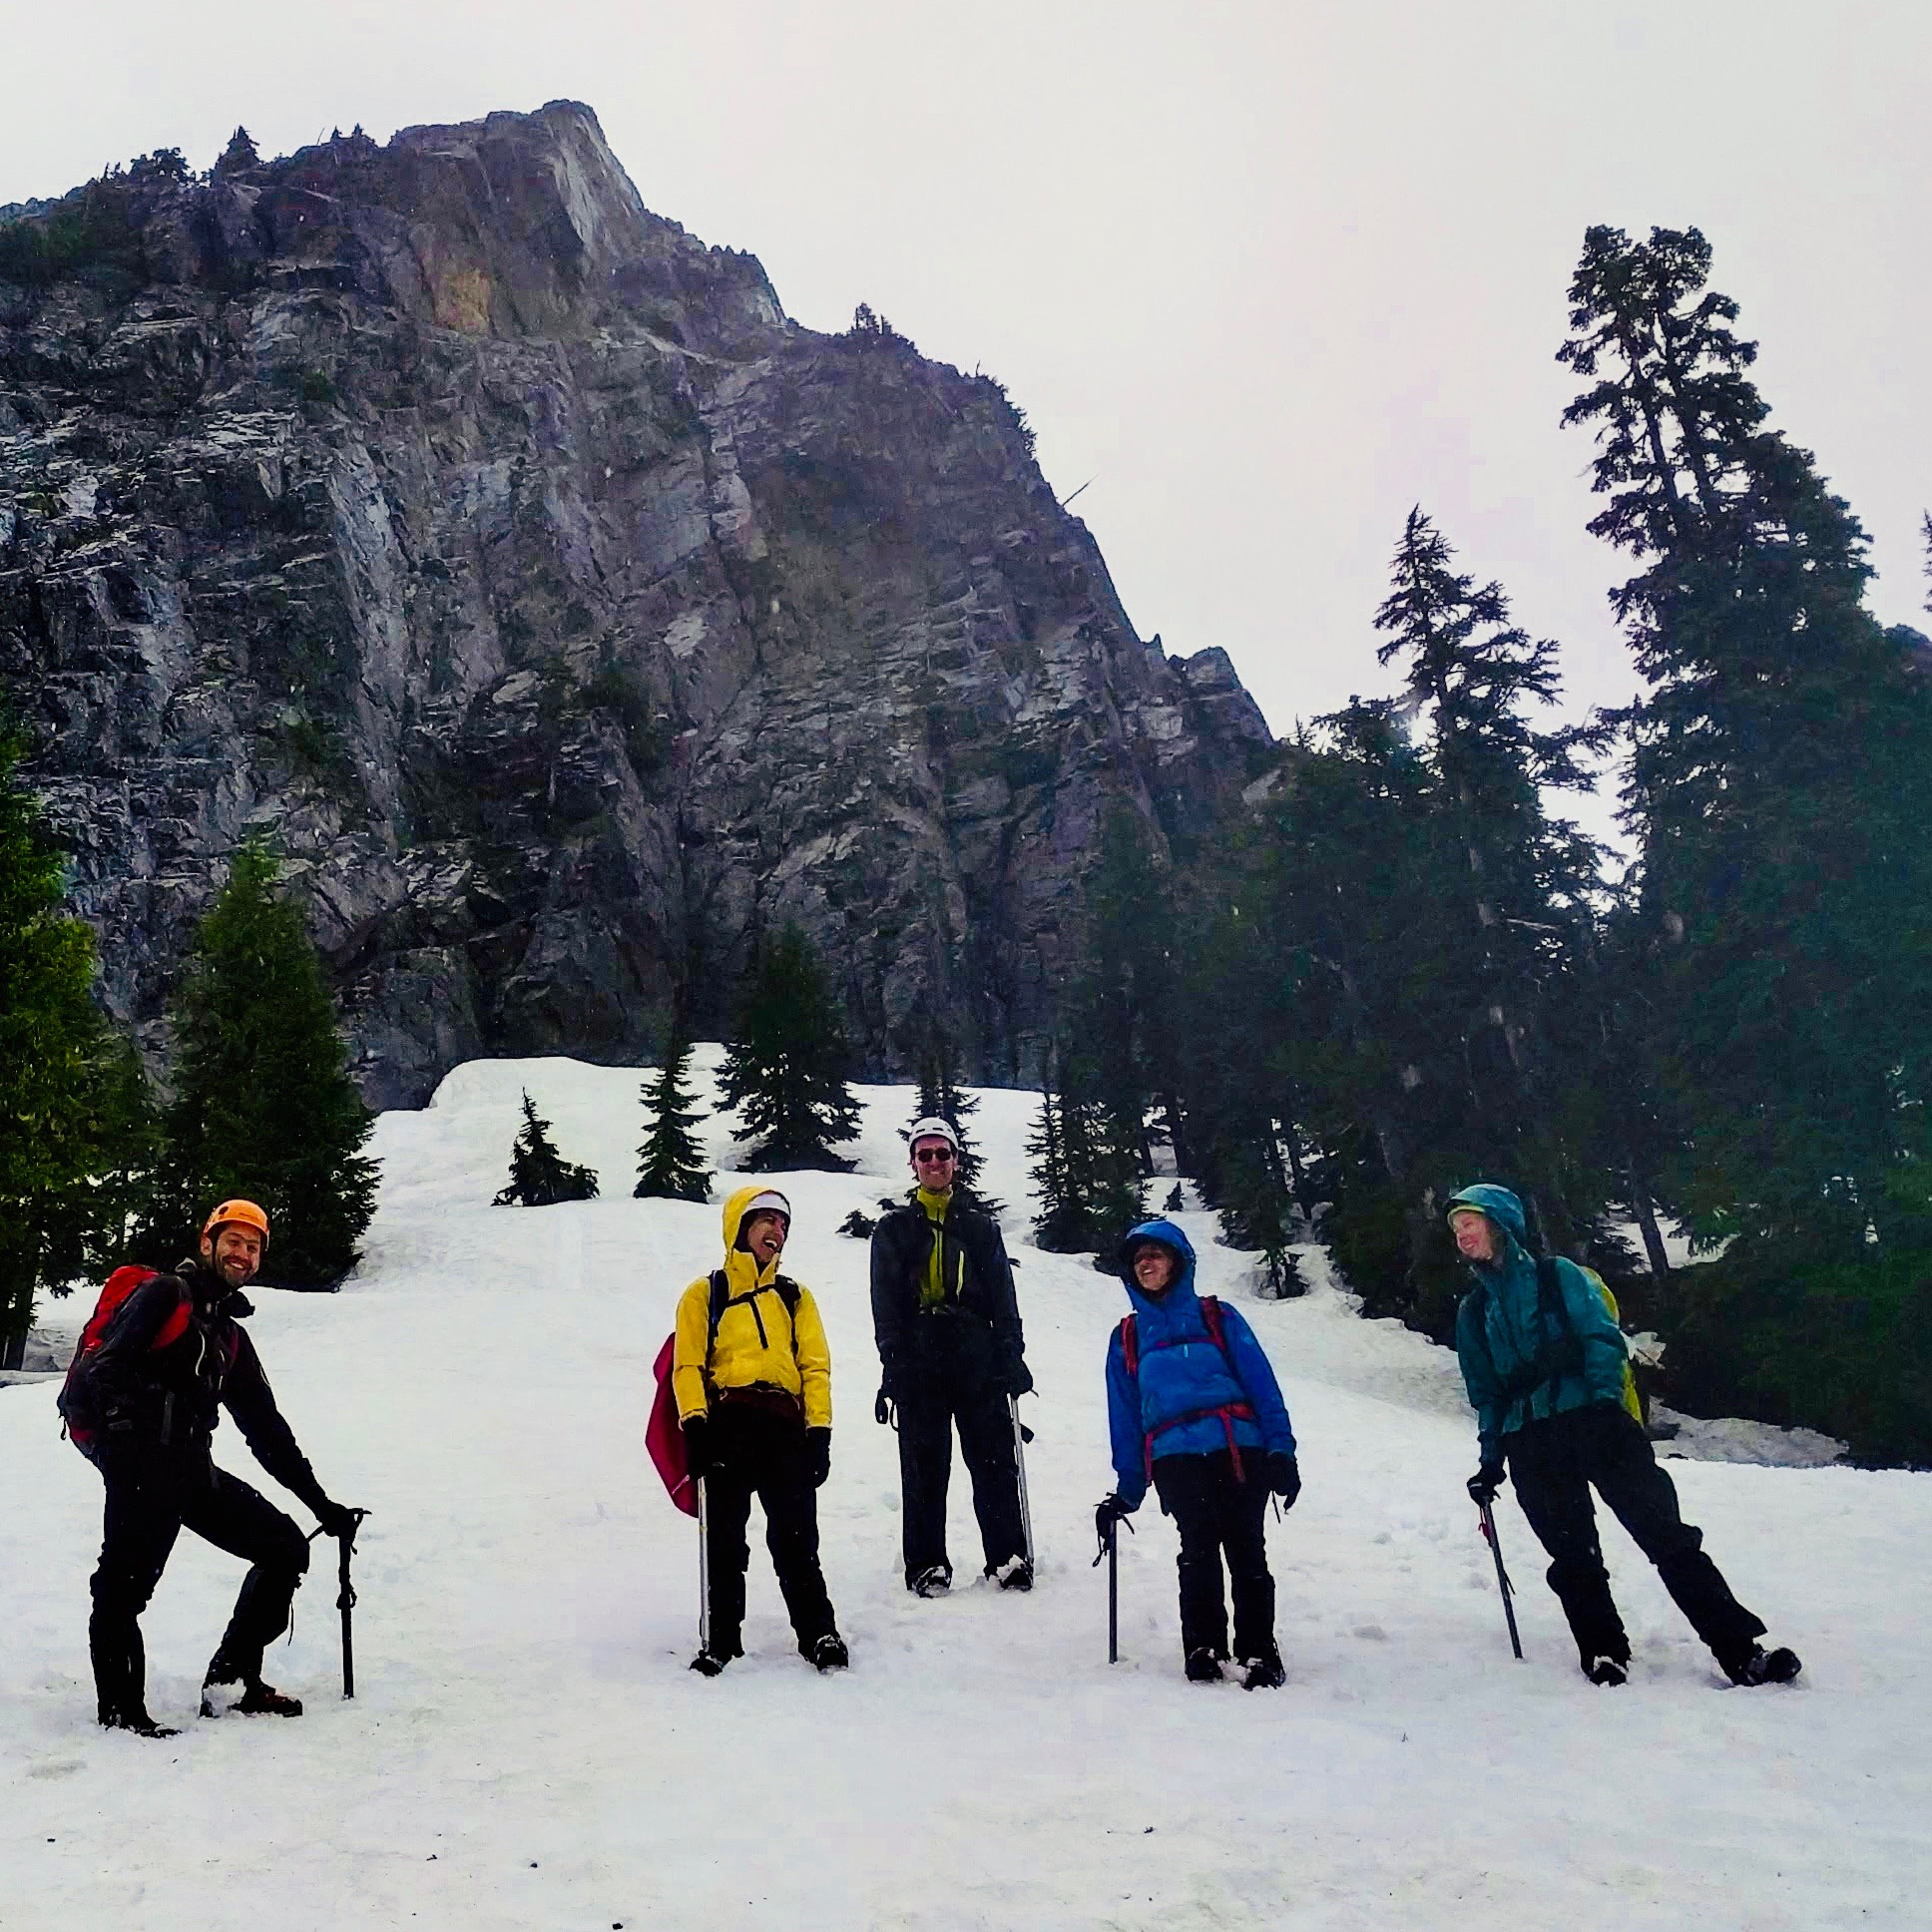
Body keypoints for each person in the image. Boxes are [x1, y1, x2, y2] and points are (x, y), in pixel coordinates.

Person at [1448, 1182, 1801, 1689]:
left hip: (1596, 1424)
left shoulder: (1557, 1277)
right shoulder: (1472, 1313)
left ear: (1501, 1225)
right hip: (1531, 1440)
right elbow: (1485, 1392)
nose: (1461, 1236)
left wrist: (1604, 1403)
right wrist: (1490, 1460)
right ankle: (1602, 1652)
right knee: (1573, 1556)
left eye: (1470, 1223)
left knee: (1668, 1537)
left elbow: (1601, 1338)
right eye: (1456, 1228)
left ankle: (1740, 1651)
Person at [61, 1201, 363, 1736]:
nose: (242, 1254)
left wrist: (323, 1507)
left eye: (253, 1246)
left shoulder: (229, 1337)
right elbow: (108, 1366)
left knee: (285, 1546)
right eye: (233, 1242)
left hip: (189, 1469)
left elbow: (267, 1431)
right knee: (123, 1590)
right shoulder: (165, 1295)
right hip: (141, 1466)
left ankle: (230, 1685)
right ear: (207, 1244)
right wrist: (126, 1453)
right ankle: (122, 1714)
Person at [1094, 1218, 1300, 1688]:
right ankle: (1203, 1646)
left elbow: (1262, 1385)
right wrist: (1129, 1488)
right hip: (1174, 1458)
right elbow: (1124, 1416)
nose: (1146, 1263)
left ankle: (1258, 1651)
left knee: (1247, 1549)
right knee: (1198, 1548)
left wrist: (1281, 1450)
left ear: (1178, 1261)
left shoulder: (1218, 1317)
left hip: (1239, 1448)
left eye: (1156, 1254)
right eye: (1138, 1257)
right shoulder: (1126, 1336)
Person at [674, 1187, 847, 1675]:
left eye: (783, 1223)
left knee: (796, 1539)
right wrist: (696, 1426)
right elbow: (687, 1367)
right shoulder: (704, 1293)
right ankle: (721, 1639)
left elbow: (815, 1367)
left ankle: (819, 1633)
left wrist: (819, 1430)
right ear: (739, 1227)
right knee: (725, 1539)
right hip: (728, 1421)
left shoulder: (795, 1297)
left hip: (784, 1425)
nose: (777, 1231)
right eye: (766, 1220)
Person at [870, 1117, 1034, 1596]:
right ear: (914, 1164)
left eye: (943, 1154)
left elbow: (1003, 1295)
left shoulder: (980, 1228)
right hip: (920, 1348)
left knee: (993, 1454)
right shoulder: (895, 1229)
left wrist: (1011, 1351)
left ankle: (1007, 1555)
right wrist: (893, 1358)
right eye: (926, 1155)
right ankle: (926, 1563)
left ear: (956, 1161)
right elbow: (886, 1301)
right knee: (924, 1459)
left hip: (974, 1347)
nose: (935, 1163)